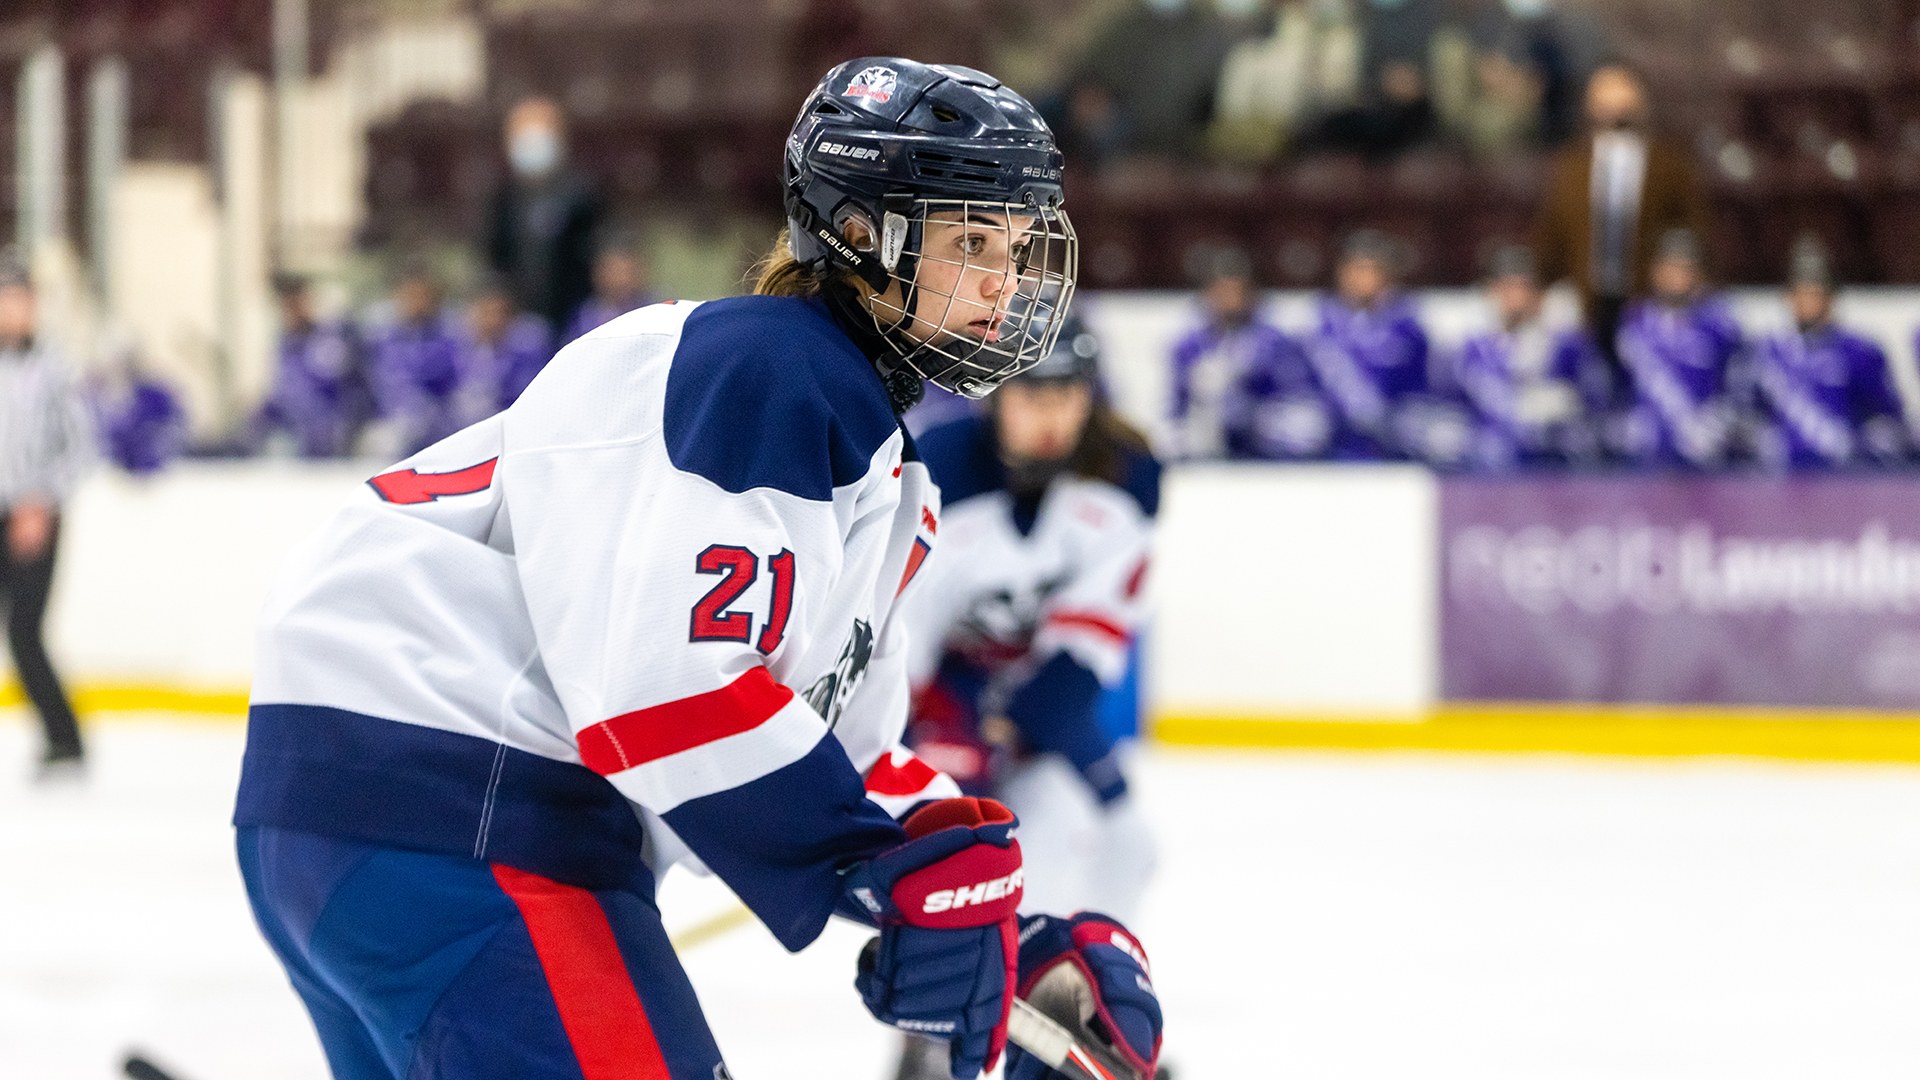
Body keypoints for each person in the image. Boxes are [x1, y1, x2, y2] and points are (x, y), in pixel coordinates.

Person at [234, 57, 1160, 1080]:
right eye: (973, 240)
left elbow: (828, 750)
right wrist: (886, 867)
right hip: (464, 809)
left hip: (386, 804)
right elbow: (667, 693)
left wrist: (1005, 928)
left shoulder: (881, 472)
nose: (1007, 281)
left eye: (1020, 245)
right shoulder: (772, 369)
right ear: (860, 233)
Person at [891, 321, 1160, 1080]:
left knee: (1129, 846)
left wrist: (1015, 726)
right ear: (995, 398)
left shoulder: (1126, 479)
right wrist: (926, 743)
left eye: (1067, 394)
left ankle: (1084, 1015)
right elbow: (894, 642)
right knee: (952, 859)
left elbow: (1081, 655)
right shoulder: (936, 469)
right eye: (1030, 393)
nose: (1050, 414)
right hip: (939, 698)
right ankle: (935, 1033)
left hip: (1041, 707)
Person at [1533, 63, 1708, 393]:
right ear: (1589, 102)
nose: (1614, 101)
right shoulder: (1572, 166)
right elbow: (1552, 235)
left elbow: (1695, 231)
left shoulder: (1669, 165)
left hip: (1648, 302)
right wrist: (1542, 286)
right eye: (1604, 91)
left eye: (1623, 90)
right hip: (1589, 300)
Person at [0, 257, 93, 777]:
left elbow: (81, 445)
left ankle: (65, 738)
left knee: (25, 630)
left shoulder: (54, 366)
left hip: (34, 515)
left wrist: (40, 500)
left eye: (20, 299)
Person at [1740, 238, 1908, 470]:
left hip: (1844, 479)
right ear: (1787, 297)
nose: (1806, 302)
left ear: (1831, 297)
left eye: (1814, 294)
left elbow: (1892, 422)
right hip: (1783, 481)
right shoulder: (1767, 351)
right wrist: (1762, 439)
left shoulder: (1859, 351)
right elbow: (1746, 413)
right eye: (1800, 293)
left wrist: (1859, 444)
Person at [1306, 230, 1467, 462]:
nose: (1364, 278)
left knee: (1442, 436)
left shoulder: (1408, 322)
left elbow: (1417, 382)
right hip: (1336, 425)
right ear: (1342, 273)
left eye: (1372, 269)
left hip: (1396, 423)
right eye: (1357, 269)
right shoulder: (1319, 321)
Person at [1453, 245, 1607, 469]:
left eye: (1524, 287)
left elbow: (1596, 397)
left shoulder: (1564, 345)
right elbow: (1463, 405)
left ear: (1538, 294)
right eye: (1507, 288)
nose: (1516, 297)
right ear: (1491, 291)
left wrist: (1565, 405)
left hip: (1550, 464)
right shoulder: (1474, 349)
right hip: (1491, 465)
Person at [1168, 250, 1325, 460]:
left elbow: (1307, 418)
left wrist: (1250, 414)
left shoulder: (1278, 345)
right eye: (1221, 291)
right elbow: (1174, 412)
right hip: (1210, 459)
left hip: (1267, 459)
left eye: (1237, 291)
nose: (1229, 300)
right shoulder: (1189, 347)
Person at [1612, 229, 1742, 469]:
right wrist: (1627, 423)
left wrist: (1720, 422)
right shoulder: (1634, 323)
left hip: (1702, 456)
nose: (1677, 277)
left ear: (1698, 274)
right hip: (1647, 458)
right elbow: (1618, 387)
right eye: (1670, 268)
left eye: (1685, 269)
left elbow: (1737, 384)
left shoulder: (1718, 325)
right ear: (1656, 271)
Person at [483, 97, 600, 333]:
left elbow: (597, 259)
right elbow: (492, 263)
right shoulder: (501, 201)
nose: (533, 144)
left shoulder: (583, 197)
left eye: (541, 134)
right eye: (525, 135)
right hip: (516, 325)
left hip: (574, 321)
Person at [255, 274, 371, 459]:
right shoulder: (285, 344)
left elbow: (342, 389)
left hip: (329, 430)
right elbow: (282, 391)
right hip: (292, 429)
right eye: (288, 306)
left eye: (298, 304)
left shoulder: (329, 340)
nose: (293, 312)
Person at [366, 264, 464, 457]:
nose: (417, 303)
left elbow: (455, 386)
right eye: (410, 295)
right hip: (391, 427)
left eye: (422, 296)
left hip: (438, 430)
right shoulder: (381, 338)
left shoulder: (451, 337)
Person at [452, 274, 554, 429]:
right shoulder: (454, 347)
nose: (494, 320)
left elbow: (531, 399)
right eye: (487, 312)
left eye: (500, 313)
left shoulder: (527, 351)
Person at [564, 238, 653, 344]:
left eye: (625, 272)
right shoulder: (584, 317)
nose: (621, 280)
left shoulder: (655, 311)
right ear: (597, 275)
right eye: (614, 272)